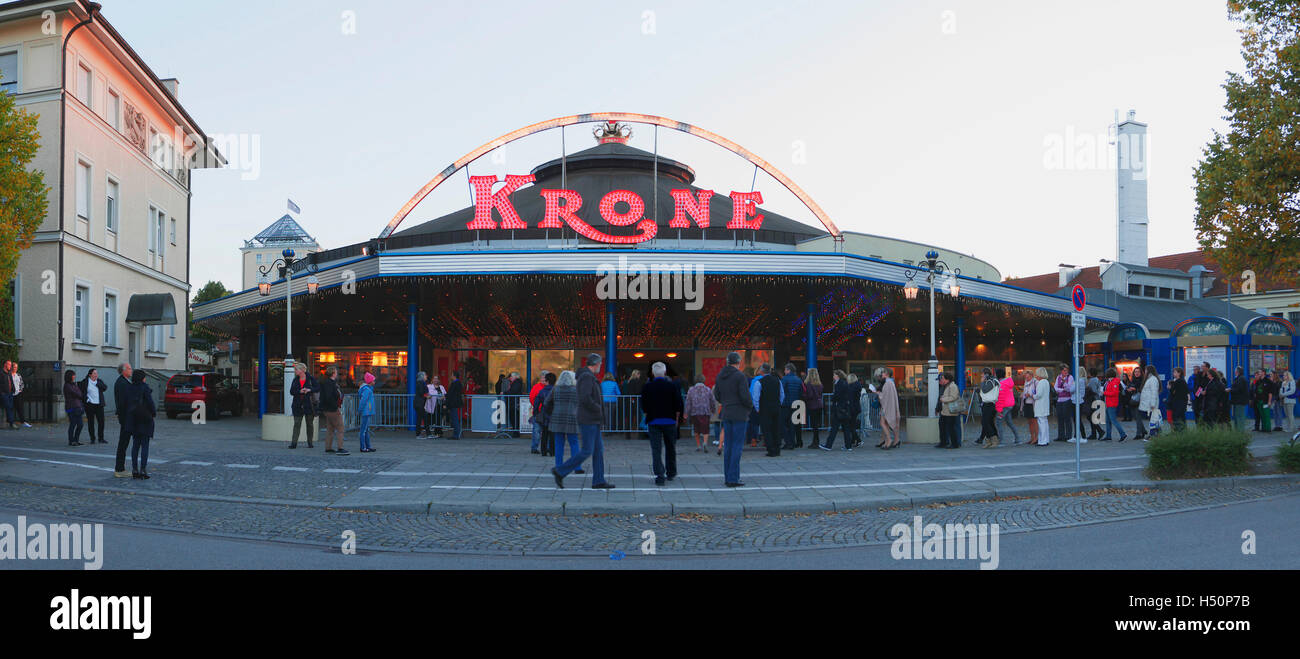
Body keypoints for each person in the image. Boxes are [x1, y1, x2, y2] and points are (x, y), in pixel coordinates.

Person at [551, 354, 614, 489]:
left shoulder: (588, 376)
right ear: (596, 364)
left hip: (592, 419)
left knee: (598, 450)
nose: (601, 366)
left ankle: (598, 480)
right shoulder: (587, 377)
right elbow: (585, 397)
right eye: (600, 364)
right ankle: (560, 471)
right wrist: (597, 408)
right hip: (589, 418)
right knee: (587, 450)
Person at [641, 362, 682, 486]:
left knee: (656, 449)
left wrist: (647, 414)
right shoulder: (672, 386)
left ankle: (659, 474)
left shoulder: (647, 387)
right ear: (665, 373)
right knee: (671, 447)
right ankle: (671, 472)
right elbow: (678, 404)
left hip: (654, 421)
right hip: (669, 420)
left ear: (653, 373)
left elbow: (644, 405)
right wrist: (677, 419)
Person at [713, 352, 750, 487]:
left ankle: (728, 476)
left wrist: (726, 402)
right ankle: (734, 478)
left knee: (728, 445)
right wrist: (749, 406)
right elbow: (745, 396)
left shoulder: (720, 376)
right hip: (739, 413)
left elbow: (717, 394)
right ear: (738, 362)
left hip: (727, 412)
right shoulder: (740, 376)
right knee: (737, 446)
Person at [545, 370, 582, 473]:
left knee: (559, 444)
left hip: (557, 418)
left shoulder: (555, 389)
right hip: (572, 418)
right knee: (574, 443)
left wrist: (551, 413)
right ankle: (577, 467)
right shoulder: (576, 390)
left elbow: (546, 402)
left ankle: (559, 466)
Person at [126, 369, 156, 479]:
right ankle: (143, 469)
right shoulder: (145, 387)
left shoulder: (129, 387)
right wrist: (153, 413)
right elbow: (150, 402)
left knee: (135, 445)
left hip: (134, 419)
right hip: (144, 418)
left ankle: (134, 469)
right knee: (145, 445)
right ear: (142, 378)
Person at [753, 364, 784, 457]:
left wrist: (757, 408)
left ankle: (771, 449)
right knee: (776, 428)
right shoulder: (778, 381)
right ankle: (777, 448)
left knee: (767, 429)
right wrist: (779, 404)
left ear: (761, 371)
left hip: (765, 408)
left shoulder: (759, 382)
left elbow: (756, 397)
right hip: (776, 407)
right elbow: (782, 394)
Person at [821, 369, 854, 450]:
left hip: (839, 409)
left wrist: (833, 398)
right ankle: (848, 446)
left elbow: (837, 396)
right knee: (846, 428)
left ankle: (828, 445)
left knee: (834, 428)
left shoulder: (839, 384)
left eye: (834, 375)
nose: (833, 376)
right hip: (845, 408)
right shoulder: (845, 383)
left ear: (837, 376)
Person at [288, 362, 318, 449]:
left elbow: (317, 388)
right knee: (297, 424)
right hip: (297, 405)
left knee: (309, 424)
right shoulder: (295, 379)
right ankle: (294, 443)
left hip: (309, 404)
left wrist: (309, 390)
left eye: (296, 369)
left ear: (302, 370)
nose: (295, 371)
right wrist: (299, 391)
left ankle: (310, 442)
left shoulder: (310, 379)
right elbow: (291, 391)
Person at [320, 366, 349, 455]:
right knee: (340, 428)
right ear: (333, 373)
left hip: (328, 409)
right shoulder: (330, 383)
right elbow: (329, 397)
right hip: (332, 409)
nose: (337, 374)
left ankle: (328, 447)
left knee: (330, 428)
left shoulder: (328, 382)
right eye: (336, 372)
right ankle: (340, 448)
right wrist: (335, 406)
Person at [112, 362, 134, 478]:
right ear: (124, 370)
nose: (131, 370)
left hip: (125, 417)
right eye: (129, 368)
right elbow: (123, 402)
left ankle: (120, 467)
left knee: (124, 443)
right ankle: (119, 468)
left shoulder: (124, 382)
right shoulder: (122, 383)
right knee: (123, 443)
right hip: (126, 417)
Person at [685, 374, 715, 452]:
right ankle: (705, 442)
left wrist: (686, 412)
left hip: (695, 412)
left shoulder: (691, 390)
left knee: (696, 429)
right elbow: (712, 400)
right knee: (706, 429)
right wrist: (713, 409)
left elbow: (688, 402)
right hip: (705, 411)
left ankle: (698, 445)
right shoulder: (708, 389)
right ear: (703, 380)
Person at [80, 368, 108, 444]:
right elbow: (80, 391)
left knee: (101, 422)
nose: (96, 375)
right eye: (94, 373)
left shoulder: (99, 381)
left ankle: (101, 438)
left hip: (99, 405)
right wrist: (86, 400)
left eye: (96, 373)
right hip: (90, 405)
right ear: (90, 374)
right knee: (91, 422)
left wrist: (97, 384)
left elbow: (105, 388)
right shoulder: (86, 382)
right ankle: (92, 438)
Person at [995, 368, 1021, 445]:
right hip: (1010, 405)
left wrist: (999, 410)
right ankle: (1018, 439)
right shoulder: (1008, 382)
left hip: (1004, 406)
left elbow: (1001, 398)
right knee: (1009, 422)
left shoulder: (1001, 384)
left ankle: (1001, 441)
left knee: (998, 422)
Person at [780, 363, 803, 449]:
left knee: (783, 424)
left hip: (786, 404)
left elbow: (781, 391)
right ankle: (792, 443)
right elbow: (801, 392)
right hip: (796, 404)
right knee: (792, 424)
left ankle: (788, 442)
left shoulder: (784, 379)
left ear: (788, 370)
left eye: (785, 370)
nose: (784, 371)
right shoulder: (798, 379)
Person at [877, 367, 901, 449]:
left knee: (882, 423)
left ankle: (889, 440)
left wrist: (878, 393)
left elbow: (884, 397)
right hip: (888, 406)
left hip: (886, 407)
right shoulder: (891, 382)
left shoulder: (888, 383)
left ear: (886, 374)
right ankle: (889, 441)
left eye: (883, 372)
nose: (882, 374)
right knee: (886, 423)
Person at [937, 372, 961, 449]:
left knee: (951, 428)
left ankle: (955, 444)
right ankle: (943, 442)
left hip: (950, 412)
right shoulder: (947, 386)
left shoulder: (953, 386)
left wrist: (943, 399)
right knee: (942, 427)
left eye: (943, 378)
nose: (941, 380)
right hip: (945, 412)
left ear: (947, 379)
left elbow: (953, 397)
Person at [535, 372, 557, 456]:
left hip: (545, 414)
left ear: (546, 381)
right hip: (554, 415)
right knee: (553, 435)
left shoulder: (542, 391)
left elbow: (536, 403)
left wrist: (536, 412)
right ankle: (552, 451)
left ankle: (543, 451)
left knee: (544, 433)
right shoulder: (556, 390)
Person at [1103, 367, 1128, 441]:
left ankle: (1122, 434)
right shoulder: (1111, 381)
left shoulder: (1114, 382)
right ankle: (1108, 436)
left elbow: (1115, 393)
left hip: (1112, 403)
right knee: (1108, 421)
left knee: (1113, 420)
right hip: (1109, 403)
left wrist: (1104, 393)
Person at [1137, 365, 1161, 440]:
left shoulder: (1153, 379)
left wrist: (1153, 404)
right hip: (1148, 403)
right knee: (1153, 419)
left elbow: (1154, 392)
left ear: (1149, 371)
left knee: (1153, 419)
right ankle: (1156, 434)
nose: (1145, 372)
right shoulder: (1150, 379)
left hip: (1151, 404)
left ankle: (1153, 435)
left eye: (1146, 370)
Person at [977, 368, 999, 447]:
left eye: (982, 374)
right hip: (986, 404)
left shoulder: (992, 381)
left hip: (990, 404)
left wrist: (982, 382)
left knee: (985, 422)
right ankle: (989, 440)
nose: (981, 375)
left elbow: (985, 390)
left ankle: (994, 439)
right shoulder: (990, 381)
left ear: (986, 374)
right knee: (988, 422)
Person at [63, 369, 85, 447]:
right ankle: (71, 440)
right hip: (71, 407)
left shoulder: (74, 385)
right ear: (70, 376)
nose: (74, 376)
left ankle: (76, 440)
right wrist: (79, 393)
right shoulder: (67, 386)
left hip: (78, 407)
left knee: (80, 425)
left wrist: (79, 393)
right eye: (73, 375)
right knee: (73, 424)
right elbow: (77, 394)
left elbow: (80, 394)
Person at [803, 368, 825, 449]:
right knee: (817, 425)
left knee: (814, 425)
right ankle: (816, 441)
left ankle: (815, 442)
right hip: (819, 405)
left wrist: (804, 396)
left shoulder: (809, 384)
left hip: (812, 405)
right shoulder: (819, 384)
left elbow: (810, 395)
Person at [1054, 364, 1076, 442]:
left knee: (1067, 418)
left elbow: (1070, 389)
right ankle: (1061, 435)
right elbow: (1056, 388)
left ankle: (1068, 435)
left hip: (1067, 399)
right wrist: (1062, 390)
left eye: (1066, 370)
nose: (1065, 372)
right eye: (1064, 370)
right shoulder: (1058, 377)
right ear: (1061, 371)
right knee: (1060, 418)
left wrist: (1065, 384)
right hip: (1060, 399)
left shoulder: (1070, 377)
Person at [529, 371, 549, 453]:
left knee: (547, 431)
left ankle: (547, 447)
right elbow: (532, 398)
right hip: (539, 412)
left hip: (547, 412)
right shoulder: (536, 387)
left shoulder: (551, 387)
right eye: (542, 378)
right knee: (536, 430)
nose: (543, 379)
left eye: (545, 378)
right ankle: (534, 447)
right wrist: (537, 407)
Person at [1032, 367, 1052, 446]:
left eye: (1037, 374)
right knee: (1045, 422)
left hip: (1040, 405)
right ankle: (1046, 439)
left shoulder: (1041, 382)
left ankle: (1042, 441)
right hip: (1045, 404)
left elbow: (1038, 395)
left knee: (1041, 423)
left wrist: (1033, 395)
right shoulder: (1046, 382)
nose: (1036, 376)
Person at [358, 372, 376, 452]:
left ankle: (367, 446)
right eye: (373, 380)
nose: (374, 382)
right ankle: (363, 447)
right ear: (369, 381)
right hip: (366, 411)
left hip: (367, 411)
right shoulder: (367, 390)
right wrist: (360, 410)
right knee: (364, 430)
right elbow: (363, 401)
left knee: (366, 429)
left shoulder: (367, 389)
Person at [1085, 368, 1104, 440]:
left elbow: (1094, 390)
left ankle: (1100, 431)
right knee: (1092, 417)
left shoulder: (1092, 380)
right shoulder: (1097, 379)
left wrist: (1087, 389)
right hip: (1096, 399)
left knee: (1090, 417)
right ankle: (1094, 434)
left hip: (1093, 400)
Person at [846, 373, 865, 448]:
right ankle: (853, 441)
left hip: (852, 408)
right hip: (856, 408)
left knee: (851, 426)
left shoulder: (851, 387)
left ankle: (859, 440)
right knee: (852, 425)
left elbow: (850, 399)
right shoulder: (857, 386)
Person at [1230, 366, 1251, 432]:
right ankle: (1237, 431)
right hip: (1237, 401)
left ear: (1238, 371)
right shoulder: (1239, 378)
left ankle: (1240, 431)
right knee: (1237, 416)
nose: (1234, 372)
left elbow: (1239, 389)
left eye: (1235, 370)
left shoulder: (1241, 379)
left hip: (1240, 401)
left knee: (1239, 417)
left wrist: (1230, 390)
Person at [1168, 366, 1188, 432]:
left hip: (1178, 403)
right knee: (1181, 418)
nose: (1173, 373)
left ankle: (1179, 432)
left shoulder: (1179, 381)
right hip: (1180, 403)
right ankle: (1181, 431)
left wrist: (1170, 388)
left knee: (1178, 418)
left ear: (1179, 373)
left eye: (1175, 372)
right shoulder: (1180, 381)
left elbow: (1173, 391)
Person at [9, 362, 30, 428]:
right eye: (14, 367)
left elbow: (22, 383)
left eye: (16, 367)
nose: (15, 368)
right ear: (11, 367)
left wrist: (21, 389)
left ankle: (23, 422)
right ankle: (11, 422)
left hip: (18, 394)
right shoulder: (9, 375)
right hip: (10, 394)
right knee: (10, 408)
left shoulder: (18, 375)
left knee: (20, 408)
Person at [446, 371, 464, 440]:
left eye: (451, 375)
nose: (450, 376)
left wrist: (446, 397)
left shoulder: (455, 383)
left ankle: (456, 435)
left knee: (455, 419)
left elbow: (451, 394)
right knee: (454, 418)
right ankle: (456, 434)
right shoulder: (458, 383)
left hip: (453, 404)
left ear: (454, 376)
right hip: (455, 403)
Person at [506, 372, 524, 437]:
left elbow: (513, 391)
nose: (510, 378)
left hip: (514, 403)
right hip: (513, 403)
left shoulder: (517, 382)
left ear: (515, 377)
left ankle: (516, 432)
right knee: (513, 417)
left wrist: (505, 393)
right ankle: (515, 431)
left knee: (514, 418)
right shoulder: (515, 382)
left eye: (511, 376)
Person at [414, 371, 431, 439]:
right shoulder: (420, 382)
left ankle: (425, 433)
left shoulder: (420, 382)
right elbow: (421, 392)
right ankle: (422, 434)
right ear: (422, 376)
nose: (426, 376)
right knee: (422, 418)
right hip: (419, 403)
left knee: (421, 418)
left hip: (419, 403)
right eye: (425, 375)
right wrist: (426, 396)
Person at [1023, 370, 1039, 442]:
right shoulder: (1026, 382)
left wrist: (1030, 394)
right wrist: (1023, 394)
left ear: (1032, 376)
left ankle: (1036, 437)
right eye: (1026, 377)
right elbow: (1024, 391)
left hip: (1033, 403)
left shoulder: (1035, 382)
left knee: (1034, 421)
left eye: (1028, 377)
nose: (1027, 378)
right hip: (1026, 402)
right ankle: (1032, 437)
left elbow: (1037, 392)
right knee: (1029, 421)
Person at [0, 360, 14, 429]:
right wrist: (1, 393)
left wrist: (13, 390)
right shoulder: (1, 373)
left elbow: (11, 382)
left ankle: (10, 422)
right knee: (8, 407)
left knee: (11, 407)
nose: (10, 366)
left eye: (10, 365)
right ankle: (11, 423)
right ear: (5, 365)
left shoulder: (9, 373)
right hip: (4, 393)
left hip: (10, 393)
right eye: (9, 364)